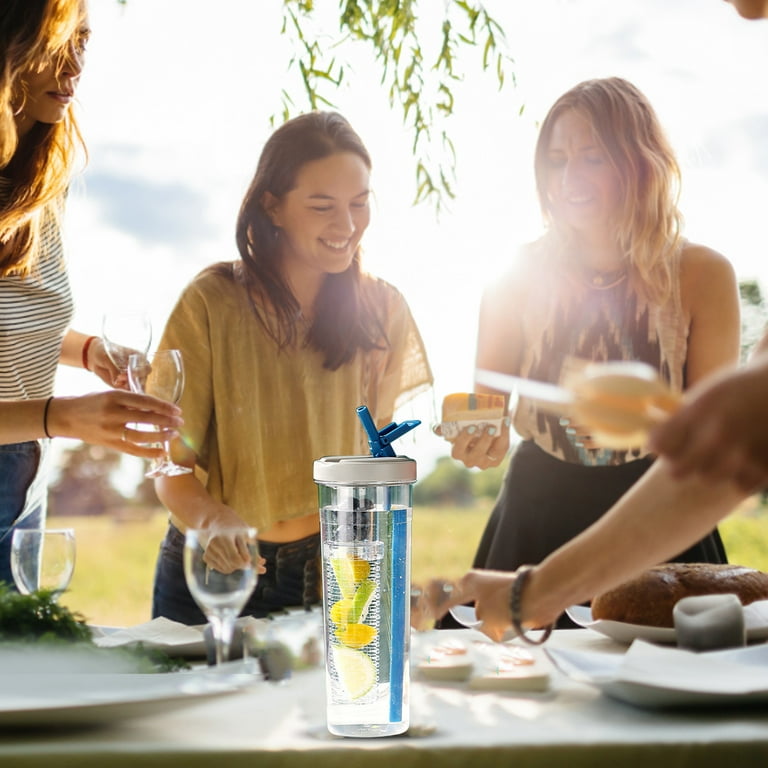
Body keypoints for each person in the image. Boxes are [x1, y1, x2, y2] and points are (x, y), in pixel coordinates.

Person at [415, 0, 768, 642]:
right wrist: (476, 439)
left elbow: (711, 441)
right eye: (557, 158)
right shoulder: (513, 276)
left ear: (639, 161)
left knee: (676, 708)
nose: (568, 177)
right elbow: (485, 415)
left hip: (663, 504)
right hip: (536, 508)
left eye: (592, 156)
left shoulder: (703, 274)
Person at [151, 111, 433, 624]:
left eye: (360, 203)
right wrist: (211, 518)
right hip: (217, 574)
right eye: (323, 206)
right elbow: (169, 464)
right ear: (272, 206)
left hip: (336, 570)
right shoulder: (211, 303)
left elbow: (376, 459)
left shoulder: (382, 310)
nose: (346, 226)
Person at [0, 0, 183, 589]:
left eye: (86, 38)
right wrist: (64, 416)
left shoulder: (37, 181)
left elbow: (16, 320)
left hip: (23, 472)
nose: (77, 61)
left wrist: (86, 353)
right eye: (60, 40)